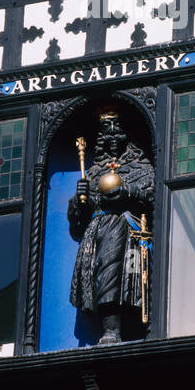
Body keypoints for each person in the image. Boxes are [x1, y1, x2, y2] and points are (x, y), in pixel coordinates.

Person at [68, 108, 153, 344]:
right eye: (108, 139)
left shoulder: (142, 168)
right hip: (99, 231)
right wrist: (80, 199)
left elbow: (154, 194)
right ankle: (109, 328)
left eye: (118, 138)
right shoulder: (93, 173)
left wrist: (128, 190)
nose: (113, 142)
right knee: (104, 273)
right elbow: (77, 223)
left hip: (128, 229)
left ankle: (117, 329)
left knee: (117, 270)